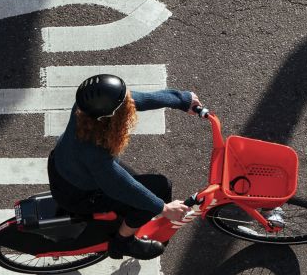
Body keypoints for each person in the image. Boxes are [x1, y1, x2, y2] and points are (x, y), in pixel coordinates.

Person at [48, 74, 201, 260]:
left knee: (147, 191)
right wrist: (164, 209)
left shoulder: (85, 110)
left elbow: (134, 101)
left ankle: (128, 222)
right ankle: (122, 243)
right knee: (156, 192)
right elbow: (120, 185)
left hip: (66, 168)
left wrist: (181, 100)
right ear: (110, 116)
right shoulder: (93, 151)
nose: (129, 102)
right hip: (79, 195)